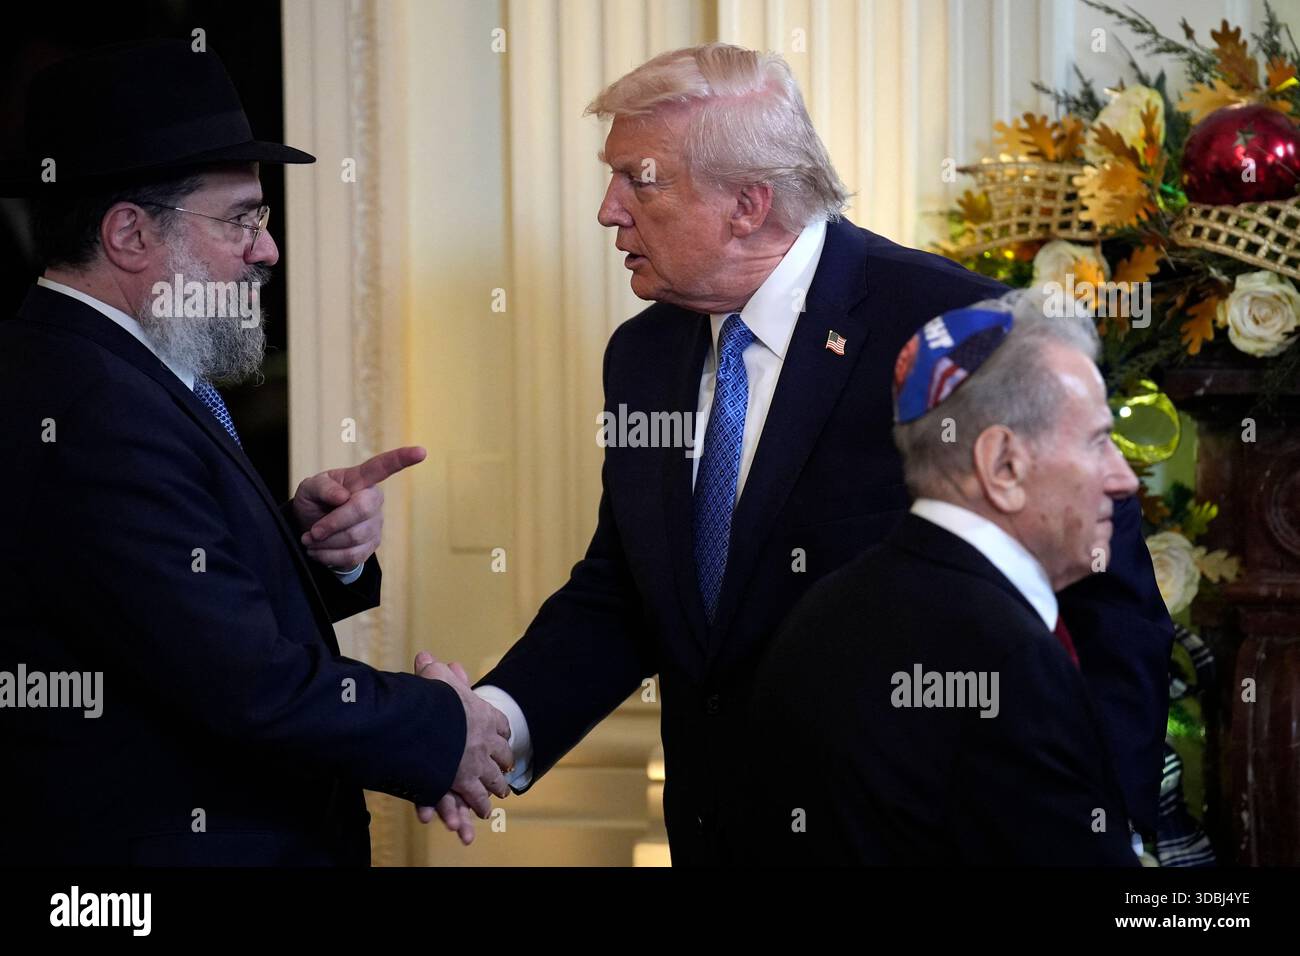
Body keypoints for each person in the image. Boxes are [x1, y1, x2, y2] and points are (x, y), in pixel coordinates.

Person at [436, 42, 1173, 864]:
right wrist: (494, 721)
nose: (609, 210)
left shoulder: (953, 330)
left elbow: (1109, 607)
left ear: (748, 205)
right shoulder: (642, 357)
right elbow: (627, 592)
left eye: (637, 179)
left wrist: (1106, 836)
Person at [0, 39, 509, 865]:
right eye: (241, 217)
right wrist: (446, 726)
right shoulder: (94, 407)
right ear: (129, 232)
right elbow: (242, 683)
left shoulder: (106, 372)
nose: (267, 249)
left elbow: (154, 611)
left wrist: (301, 549)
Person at [747, 291, 1141, 865]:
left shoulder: (820, 610)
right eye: (1099, 441)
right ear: (1003, 465)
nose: (1123, 478)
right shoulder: (1010, 657)